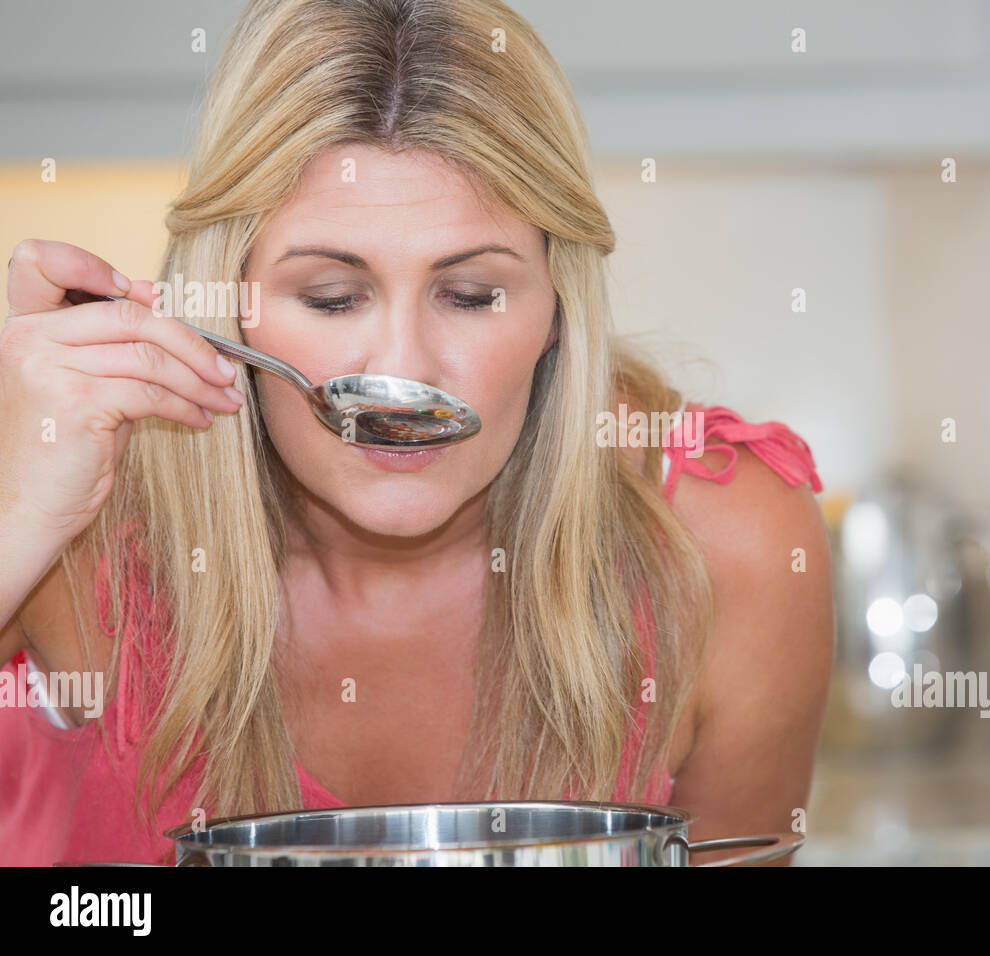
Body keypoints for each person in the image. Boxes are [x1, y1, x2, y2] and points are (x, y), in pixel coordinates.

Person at [0, 0, 832, 866]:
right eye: (330, 296)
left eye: (471, 295)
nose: (406, 366)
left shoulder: (723, 540)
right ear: (229, 303)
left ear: (559, 307)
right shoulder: (77, 505)